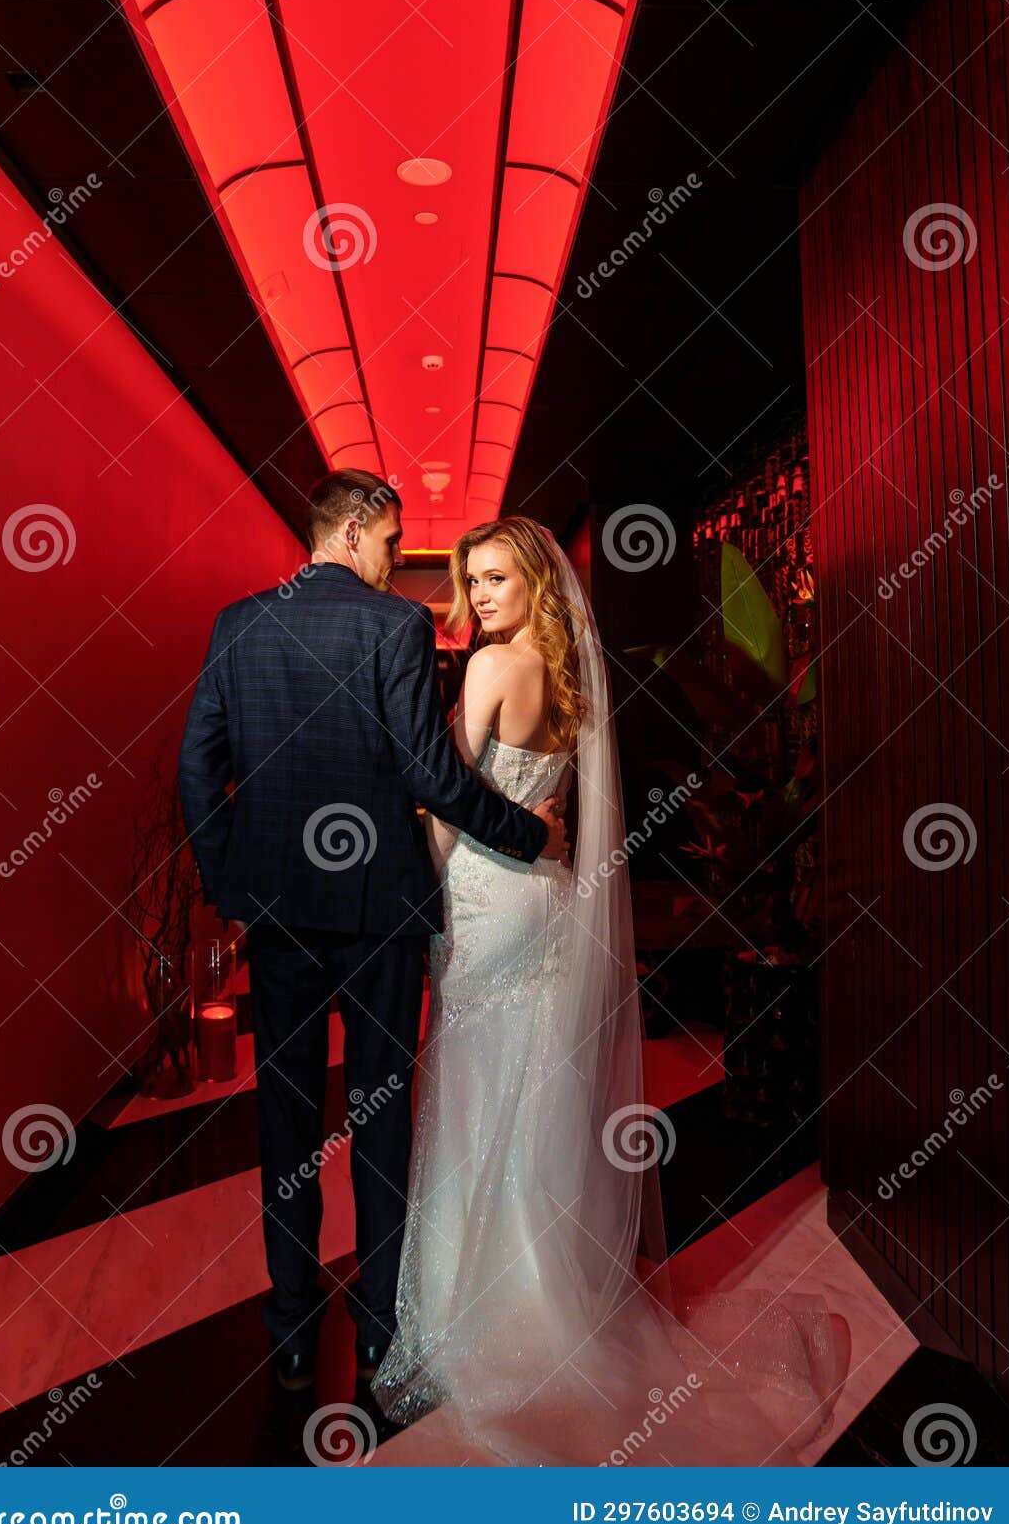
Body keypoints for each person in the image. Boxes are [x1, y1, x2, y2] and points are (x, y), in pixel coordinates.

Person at [371, 515, 850, 1466]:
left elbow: (448, 799)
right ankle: (550, 1291)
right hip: (546, 895)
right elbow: (546, 800)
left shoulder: (490, 668)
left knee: (476, 1098)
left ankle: (483, 1317)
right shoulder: (570, 677)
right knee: (536, 1100)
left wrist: (423, 875)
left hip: (487, 900)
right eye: (475, 581)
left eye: (498, 579)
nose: (482, 597)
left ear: (535, 584)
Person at [177, 473, 568, 1397]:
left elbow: (198, 770)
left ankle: (291, 1331)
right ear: (352, 531)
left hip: (280, 917)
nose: (398, 559)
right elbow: (432, 776)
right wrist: (528, 833)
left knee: (285, 1122)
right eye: (392, 540)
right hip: (380, 916)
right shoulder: (396, 627)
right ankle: (380, 1328)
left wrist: (234, 885)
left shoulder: (239, 625)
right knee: (382, 1119)